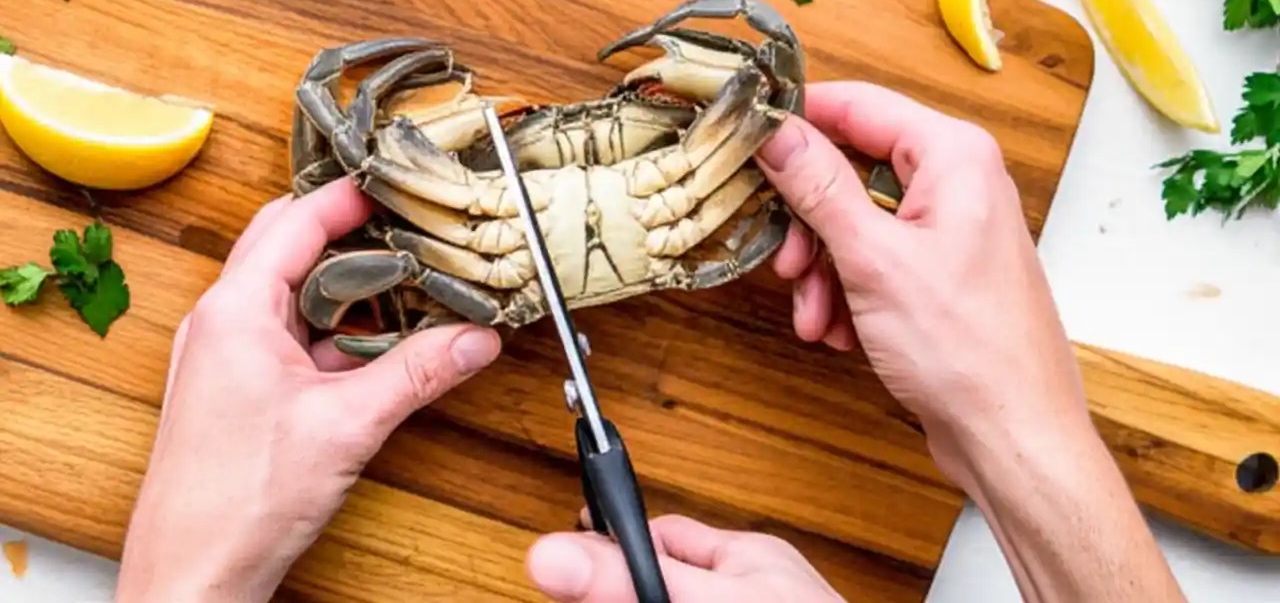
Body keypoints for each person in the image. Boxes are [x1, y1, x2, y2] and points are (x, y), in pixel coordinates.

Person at [112, 82, 1187, 602]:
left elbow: (760, 79)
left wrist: (183, 582)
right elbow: (343, 166)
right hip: (504, 263)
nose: (573, 140)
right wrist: (1020, 436)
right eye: (542, 139)